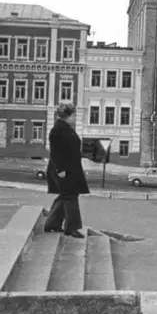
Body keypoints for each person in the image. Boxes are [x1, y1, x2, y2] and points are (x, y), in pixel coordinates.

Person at [43, 102, 89, 239]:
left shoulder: (66, 128)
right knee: (70, 196)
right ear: (67, 116)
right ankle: (71, 228)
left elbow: (71, 149)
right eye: (74, 115)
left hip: (70, 169)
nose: (75, 118)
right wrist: (61, 170)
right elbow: (56, 154)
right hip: (63, 170)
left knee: (65, 196)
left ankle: (51, 224)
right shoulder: (58, 131)